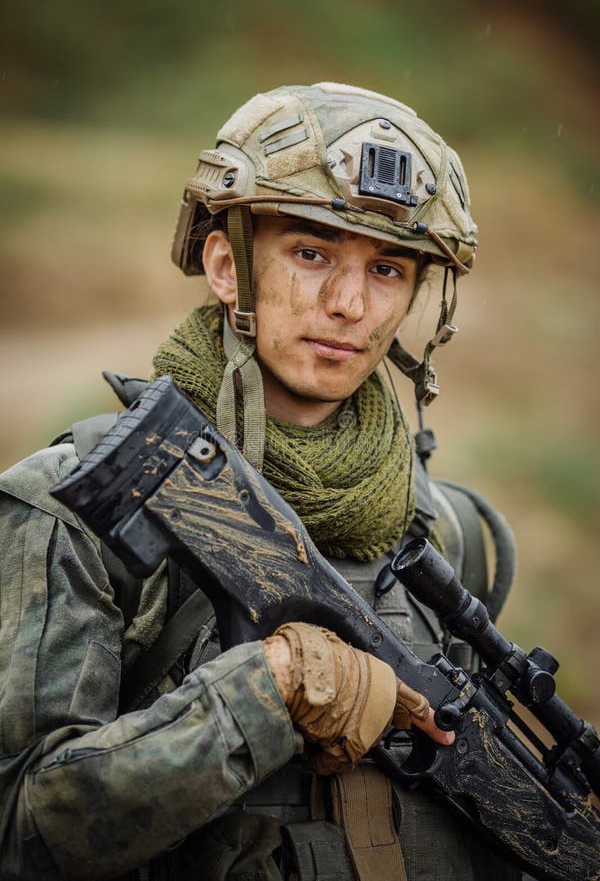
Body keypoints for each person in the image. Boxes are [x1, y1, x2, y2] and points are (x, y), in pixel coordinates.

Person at [0, 83, 521, 880]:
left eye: (387, 268)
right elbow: (23, 833)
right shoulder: (81, 500)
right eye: (311, 254)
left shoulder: (443, 531)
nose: (350, 305)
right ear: (226, 266)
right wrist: (270, 690)